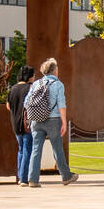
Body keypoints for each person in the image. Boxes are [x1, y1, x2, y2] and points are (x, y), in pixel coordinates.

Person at [24, 57, 79, 188]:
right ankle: (66, 176)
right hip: (53, 120)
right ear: (54, 71)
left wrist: (33, 115)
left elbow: (26, 102)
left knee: (36, 149)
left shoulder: (36, 84)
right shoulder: (58, 84)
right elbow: (61, 104)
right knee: (57, 148)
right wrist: (64, 122)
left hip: (36, 121)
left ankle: (32, 179)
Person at [6, 65, 35, 185]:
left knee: (21, 149)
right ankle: (23, 178)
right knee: (28, 149)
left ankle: (20, 176)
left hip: (15, 122)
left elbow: (8, 106)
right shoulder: (30, 88)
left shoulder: (13, 88)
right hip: (27, 123)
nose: (34, 77)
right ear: (29, 76)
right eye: (33, 75)